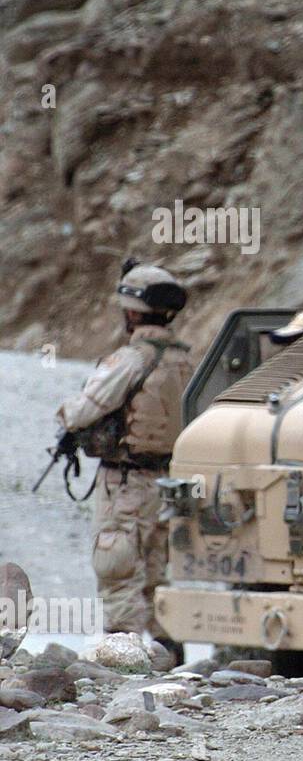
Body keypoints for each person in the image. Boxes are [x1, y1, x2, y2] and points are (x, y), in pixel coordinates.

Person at [55, 261, 194, 655]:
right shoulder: (187, 359)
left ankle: (123, 658)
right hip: (168, 482)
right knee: (156, 573)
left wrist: (65, 417)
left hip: (126, 482)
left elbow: (84, 410)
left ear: (133, 311)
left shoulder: (133, 358)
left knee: (117, 567)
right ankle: (170, 656)